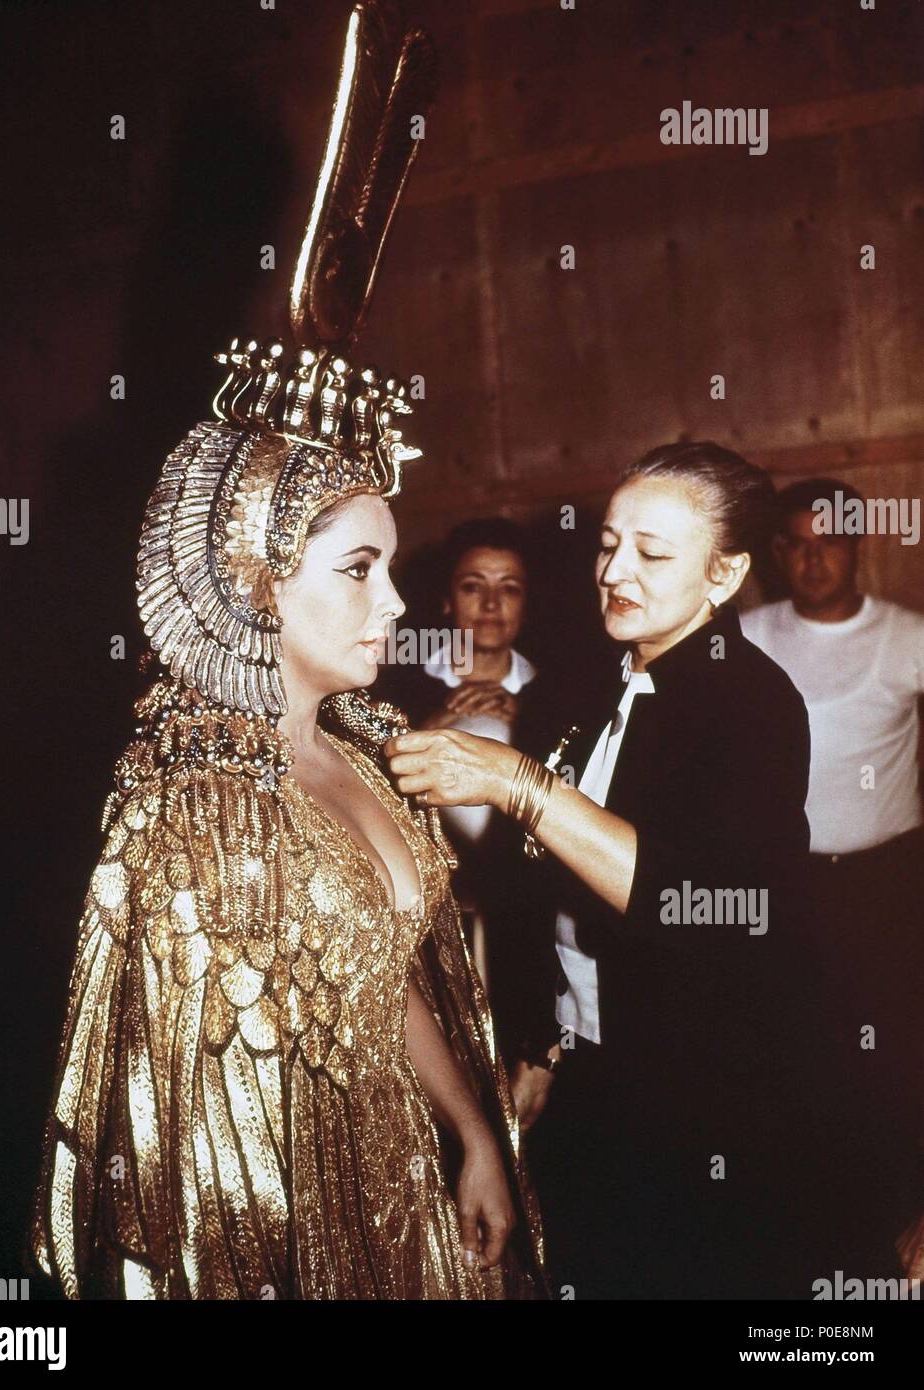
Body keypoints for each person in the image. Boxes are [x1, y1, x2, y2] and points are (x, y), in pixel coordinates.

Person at [27, 4, 547, 1301]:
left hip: (411, 1204)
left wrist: (476, 1134)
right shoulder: (181, 820)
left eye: (390, 566)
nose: (392, 605)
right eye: (357, 570)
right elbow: (175, 1169)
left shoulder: (374, 748)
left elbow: (384, 978)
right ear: (256, 585)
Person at [388, 441, 824, 1299]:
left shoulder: (753, 704)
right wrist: (543, 1041)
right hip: (592, 1061)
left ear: (724, 575)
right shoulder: (587, 682)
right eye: (607, 544)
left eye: (652, 554)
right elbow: (538, 895)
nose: (614, 570)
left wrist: (520, 784)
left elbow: (706, 906)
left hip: (703, 1085)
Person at [740, 477, 924, 1272]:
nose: (814, 559)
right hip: (787, 889)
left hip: (889, 884)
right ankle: (820, 1244)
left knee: (895, 1058)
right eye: (797, 544)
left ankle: (902, 1233)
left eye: (831, 541)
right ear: (778, 554)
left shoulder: (907, 636)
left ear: (858, 544)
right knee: (799, 1063)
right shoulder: (741, 634)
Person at [377, 518, 561, 1066]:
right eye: (472, 585)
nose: (490, 603)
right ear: (444, 601)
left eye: (509, 588)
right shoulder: (393, 686)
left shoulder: (559, 695)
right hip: (428, 927)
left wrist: (527, 728)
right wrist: (428, 729)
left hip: (530, 936)